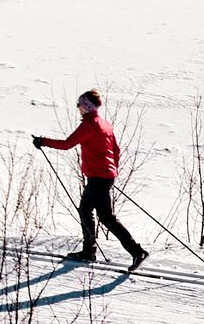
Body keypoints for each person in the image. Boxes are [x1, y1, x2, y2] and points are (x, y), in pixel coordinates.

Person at [36, 91, 146, 269]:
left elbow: (67, 144)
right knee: (85, 210)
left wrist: (43, 141)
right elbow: (116, 150)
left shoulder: (89, 125)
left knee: (106, 218)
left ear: (86, 106)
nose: (77, 108)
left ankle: (136, 251)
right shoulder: (104, 124)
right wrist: (112, 171)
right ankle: (89, 251)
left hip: (98, 177)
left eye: (79, 104)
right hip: (104, 176)